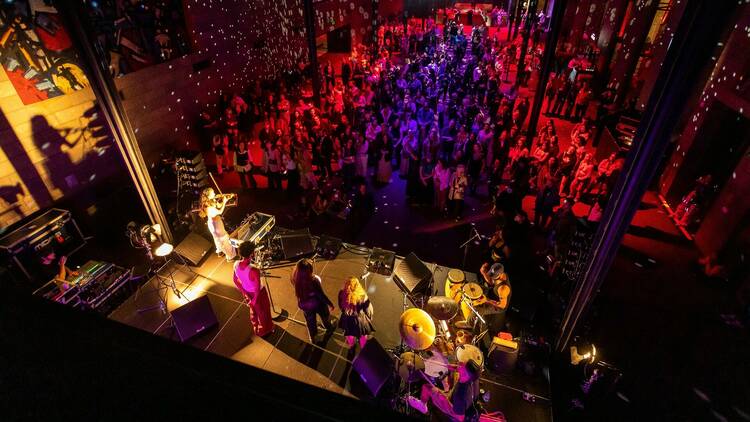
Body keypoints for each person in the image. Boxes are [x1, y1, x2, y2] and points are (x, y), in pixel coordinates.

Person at [232, 241, 274, 337]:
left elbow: (235, 280)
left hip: (246, 291)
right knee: (264, 312)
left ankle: (256, 326)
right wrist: (254, 299)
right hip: (258, 294)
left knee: (253, 310)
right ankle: (265, 330)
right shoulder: (254, 270)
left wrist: (245, 293)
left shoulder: (236, 264)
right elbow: (257, 288)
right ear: (252, 254)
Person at [291, 258, 335, 343]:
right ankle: (328, 327)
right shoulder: (313, 281)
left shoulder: (294, 278)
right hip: (317, 303)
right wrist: (330, 303)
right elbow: (321, 295)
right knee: (324, 315)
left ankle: (313, 337)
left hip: (305, 305)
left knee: (310, 321)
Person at [337, 277, 374, 349]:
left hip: (347, 319)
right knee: (363, 335)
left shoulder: (341, 293)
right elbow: (369, 310)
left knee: (349, 333)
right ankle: (363, 347)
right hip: (360, 320)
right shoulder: (363, 296)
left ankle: (352, 346)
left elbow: (341, 306)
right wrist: (369, 318)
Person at [199, 188, 236, 260]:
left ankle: (219, 251)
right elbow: (220, 212)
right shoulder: (208, 207)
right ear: (209, 195)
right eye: (213, 193)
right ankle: (231, 256)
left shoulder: (210, 201)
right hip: (215, 225)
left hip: (214, 223)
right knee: (224, 238)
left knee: (217, 239)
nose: (215, 194)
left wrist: (226, 199)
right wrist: (224, 202)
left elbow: (218, 205)